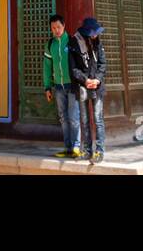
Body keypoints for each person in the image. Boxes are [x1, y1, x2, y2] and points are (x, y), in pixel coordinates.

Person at [42, 14, 80, 159]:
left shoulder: (71, 42)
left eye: (59, 27)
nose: (56, 30)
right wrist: (47, 87)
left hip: (72, 85)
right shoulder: (50, 44)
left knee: (74, 117)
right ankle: (67, 147)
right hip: (58, 87)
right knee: (63, 118)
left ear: (64, 26)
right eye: (53, 28)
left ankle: (76, 146)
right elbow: (47, 67)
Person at [70, 16, 107, 164]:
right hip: (82, 86)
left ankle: (99, 151)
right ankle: (86, 151)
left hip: (97, 86)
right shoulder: (74, 42)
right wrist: (85, 80)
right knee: (84, 120)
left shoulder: (97, 42)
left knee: (98, 120)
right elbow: (73, 68)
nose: (95, 35)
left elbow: (103, 64)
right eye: (93, 33)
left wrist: (97, 79)